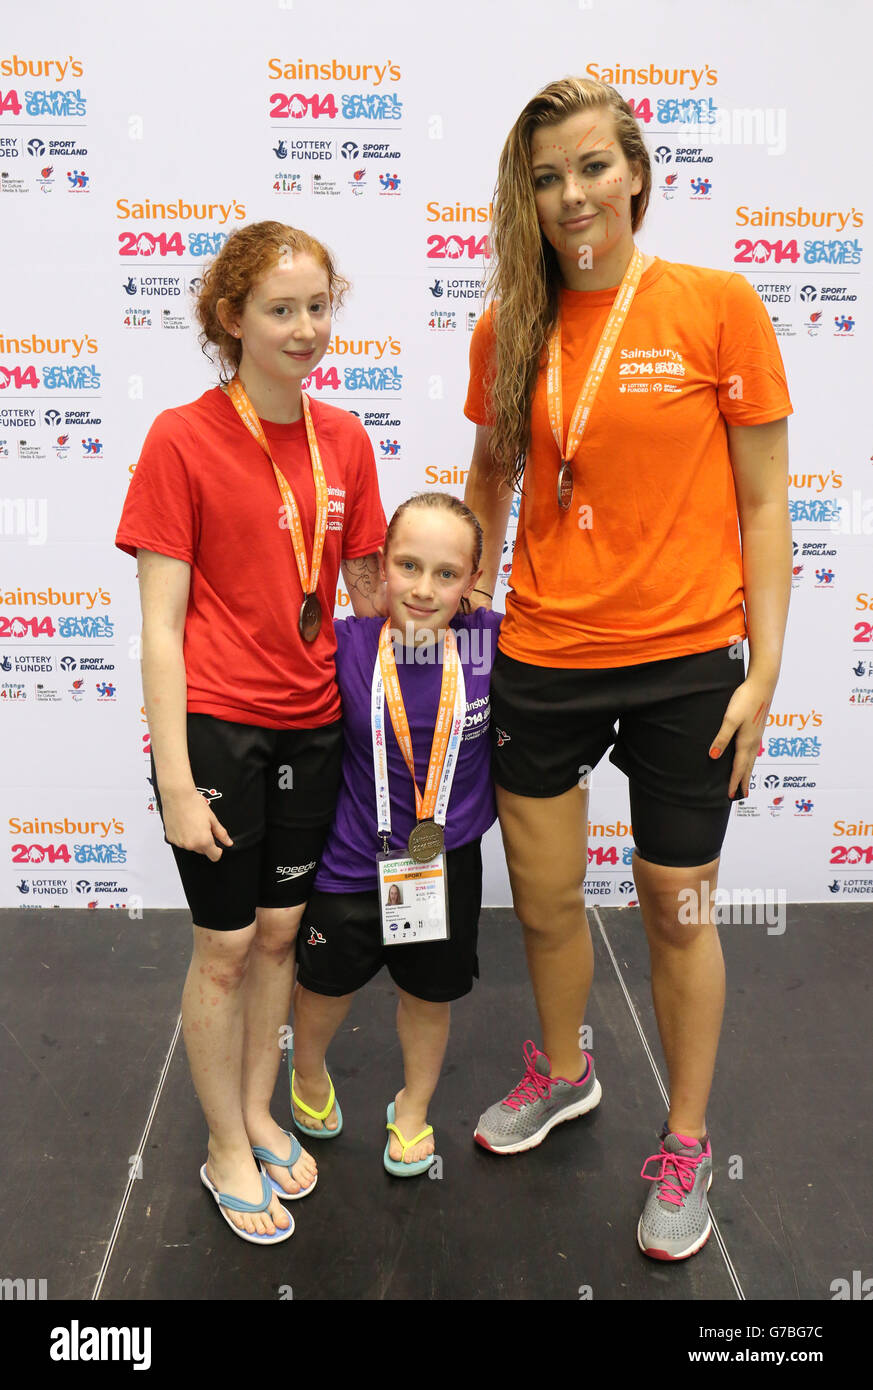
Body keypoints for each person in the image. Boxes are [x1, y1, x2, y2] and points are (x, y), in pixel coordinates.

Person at [462, 77, 792, 1260]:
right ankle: (565, 1072)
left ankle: (688, 1139)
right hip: (545, 653)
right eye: (547, 177)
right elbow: (492, 485)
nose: (572, 196)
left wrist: (762, 674)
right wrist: (457, 621)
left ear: (640, 174)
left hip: (688, 665)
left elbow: (764, 503)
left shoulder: (717, 305)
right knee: (548, 905)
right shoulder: (511, 324)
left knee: (676, 908)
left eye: (593, 168)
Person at [115, 221, 387, 1244]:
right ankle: (223, 1140)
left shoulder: (347, 442)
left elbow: (364, 603)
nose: (307, 328)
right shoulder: (182, 438)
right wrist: (177, 781)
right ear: (231, 319)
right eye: (282, 309)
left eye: (319, 306)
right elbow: (157, 626)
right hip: (221, 731)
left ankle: (260, 1111)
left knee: (280, 932)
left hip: (314, 728)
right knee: (225, 942)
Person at [291, 493, 502, 1174]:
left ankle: (412, 1107)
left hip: (441, 864)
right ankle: (307, 1075)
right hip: (350, 861)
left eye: (446, 573)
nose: (422, 588)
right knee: (323, 990)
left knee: (428, 995)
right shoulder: (347, 644)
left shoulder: (492, 642)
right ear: (381, 566)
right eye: (408, 565)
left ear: (471, 582)